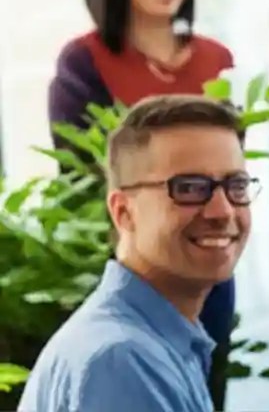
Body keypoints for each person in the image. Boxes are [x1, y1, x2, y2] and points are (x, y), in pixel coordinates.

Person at [45, 0, 238, 407]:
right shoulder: (84, 61)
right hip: (131, 261)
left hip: (207, 259)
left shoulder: (215, 58)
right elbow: (78, 176)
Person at [19, 95, 255, 412]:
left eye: (236, 186)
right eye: (188, 188)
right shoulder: (121, 362)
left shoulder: (153, 336)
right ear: (123, 211)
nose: (222, 211)